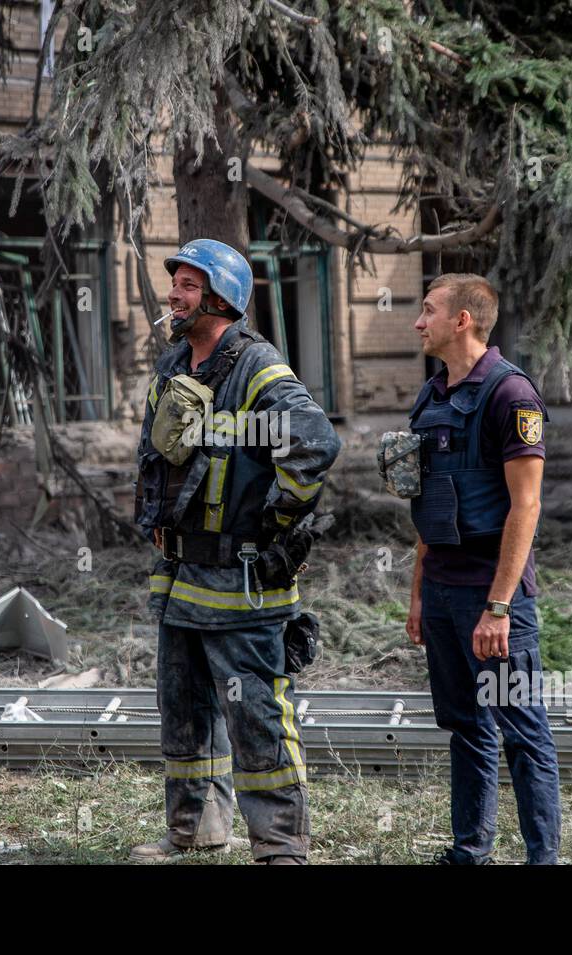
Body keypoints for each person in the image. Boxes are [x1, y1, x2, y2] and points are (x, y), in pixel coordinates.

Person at [130, 238, 341, 864]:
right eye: (177, 284)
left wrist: (276, 519)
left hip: (244, 584)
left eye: (189, 286)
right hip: (180, 578)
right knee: (185, 708)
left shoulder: (258, 368)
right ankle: (196, 829)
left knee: (256, 718)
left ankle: (280, 847)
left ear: (222, 298)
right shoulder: (175, 367)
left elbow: (314, 444)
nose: (174, 295)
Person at [403, 273, 561, 865]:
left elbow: (527, 505)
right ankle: (470, 852)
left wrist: (498, 606)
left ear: (461, 320)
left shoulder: (510, 395)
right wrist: (418, 594)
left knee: (521, 732)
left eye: (428, 311)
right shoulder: (433, 394)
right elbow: (428, 504)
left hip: (493, 598)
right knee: (466, 726)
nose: (418, 322)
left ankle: (542, 860)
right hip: (443, 589)